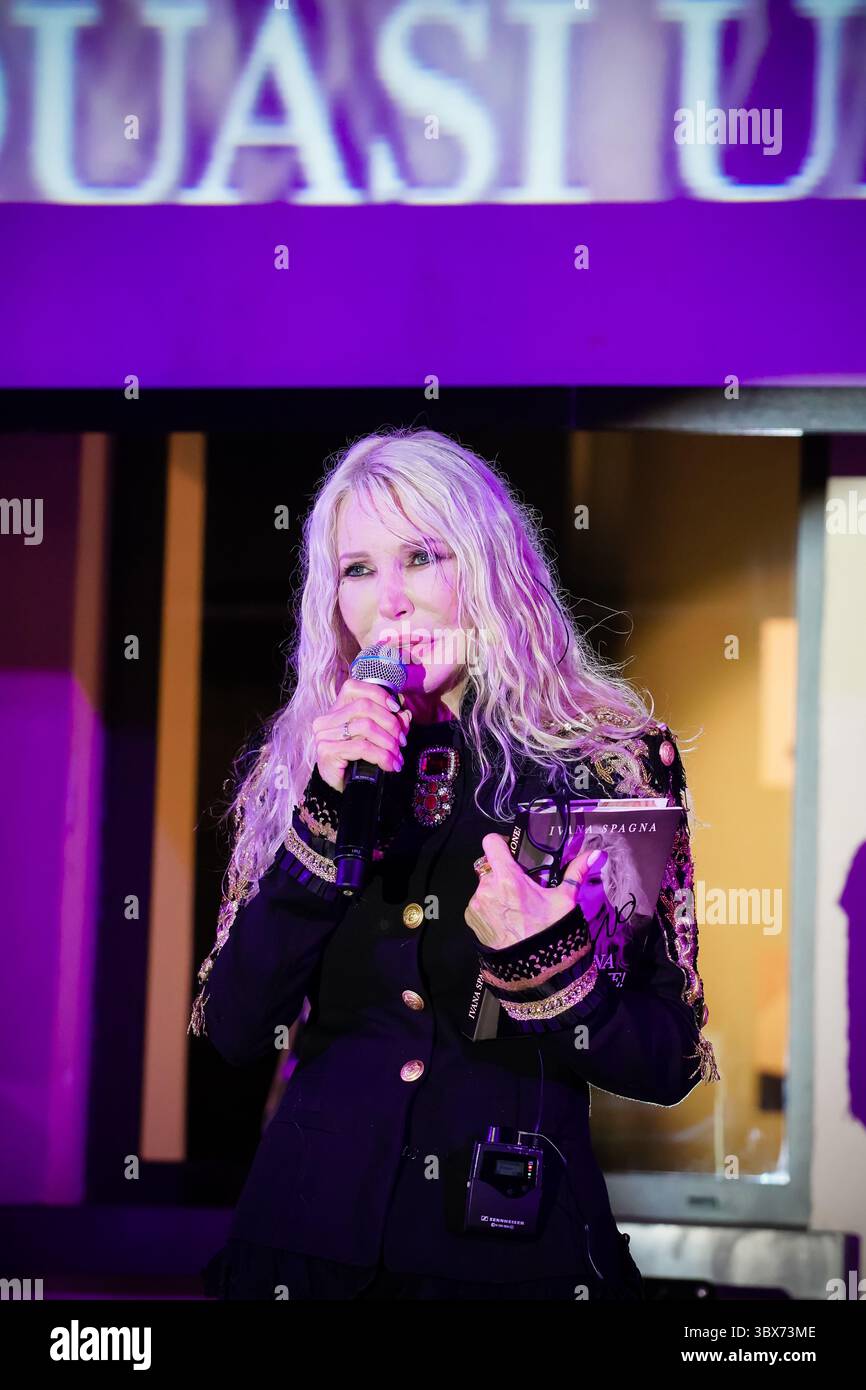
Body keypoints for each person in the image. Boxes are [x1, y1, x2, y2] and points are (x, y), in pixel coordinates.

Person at [190, 427, 720, 1301]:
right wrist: (325, 813)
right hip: (307, 1248)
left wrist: (553, 964)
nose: (389, 602)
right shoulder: (298, 765)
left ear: (488, 567)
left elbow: (667, 1061)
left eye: (422, 558)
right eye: (357, 570)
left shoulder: (611, 759)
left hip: (509, 1252)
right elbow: (236, 1027)